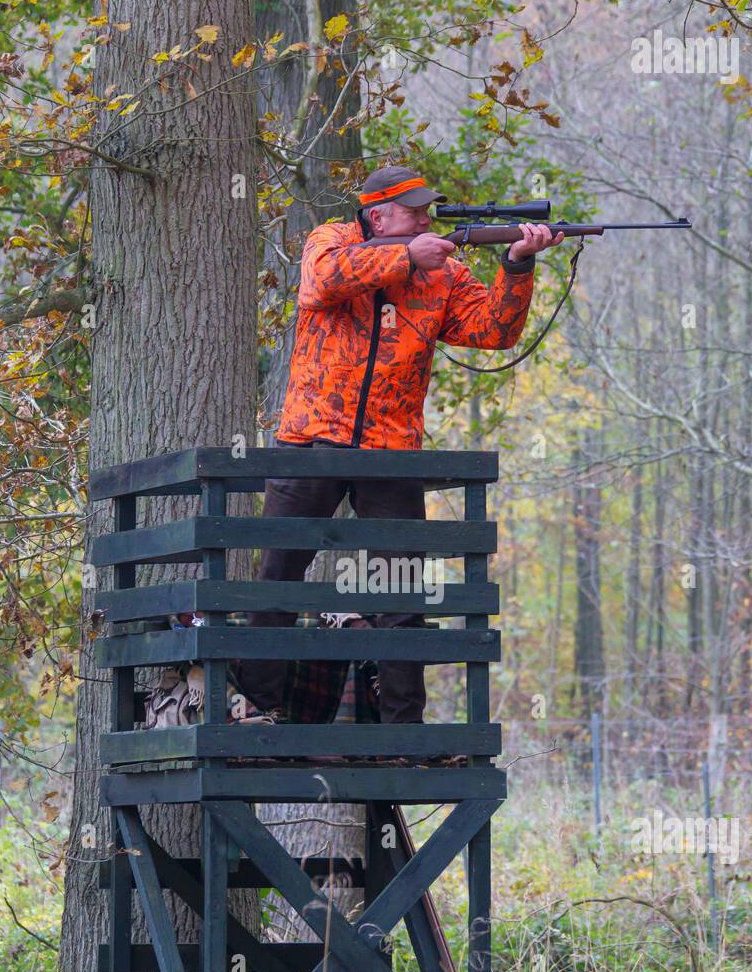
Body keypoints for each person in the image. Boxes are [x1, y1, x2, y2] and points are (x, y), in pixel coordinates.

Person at [235, 164, 564, 729]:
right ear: (376, 214)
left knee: (401, 592)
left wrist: (519, 264)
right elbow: (322, 282)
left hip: (392, 449)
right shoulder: (332, 240)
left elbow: (494, 331)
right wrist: (407, 256)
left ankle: (402, 730)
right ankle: (254, 711)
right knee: (278, 579)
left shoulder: (446, 274)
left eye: (425, 209)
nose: (423, 217)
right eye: (411, 210)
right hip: (313, 436)